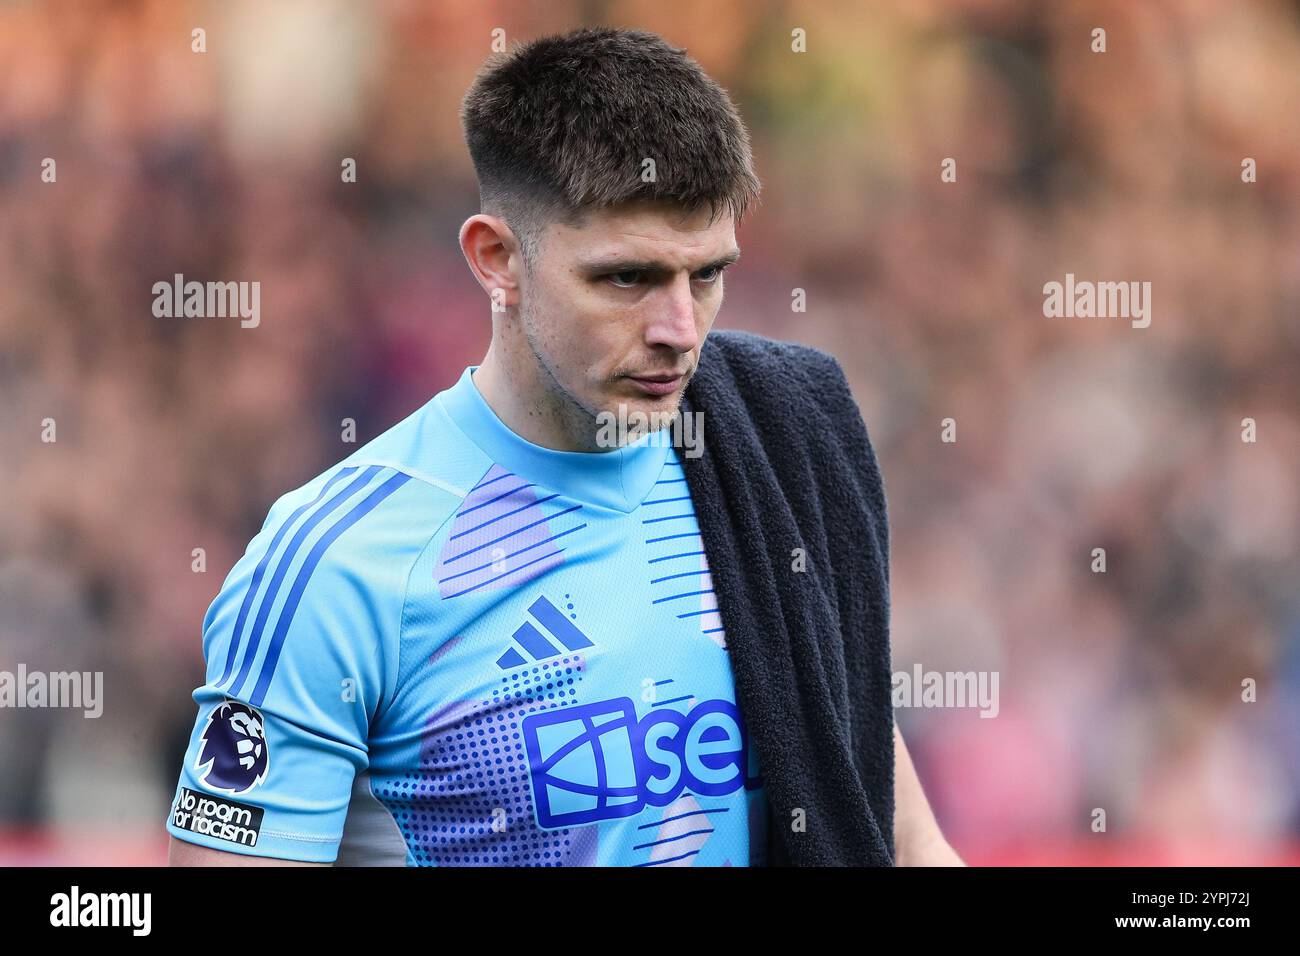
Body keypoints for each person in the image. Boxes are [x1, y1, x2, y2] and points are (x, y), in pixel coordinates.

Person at [167, 25, 960, 867]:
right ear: (497, 259)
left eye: (707, 274)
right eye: (627, 278)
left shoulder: (775, 459)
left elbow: (901, 840)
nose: (679, 332)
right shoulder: (338, 564)